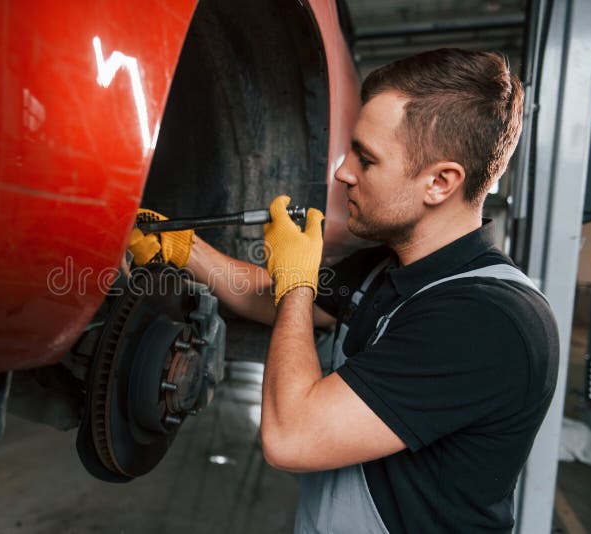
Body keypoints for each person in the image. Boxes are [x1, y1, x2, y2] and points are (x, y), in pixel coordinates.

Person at [127, 48, 559, 533]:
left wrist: (297, 283)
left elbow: (290, 437)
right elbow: (267, 296)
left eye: (366, 159)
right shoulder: (387, 266)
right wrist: (186, 250)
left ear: (440, 182)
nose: (343, 172)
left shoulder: (487, 321)